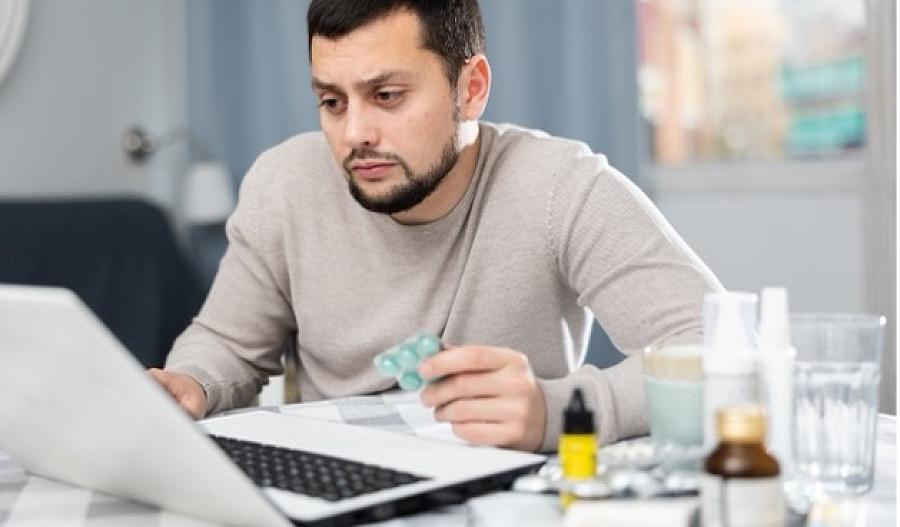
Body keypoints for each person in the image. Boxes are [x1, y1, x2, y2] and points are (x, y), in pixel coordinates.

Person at [150, 0, 721, 453]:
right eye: (331, 101)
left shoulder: (561, 187)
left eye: (387, 96)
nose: (354, 134)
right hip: (336, 480)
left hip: (503, 487)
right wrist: (193, 383)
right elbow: (227, 344)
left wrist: (555, 411)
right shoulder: (283, 182)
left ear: (470, 88)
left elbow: (720, 349)